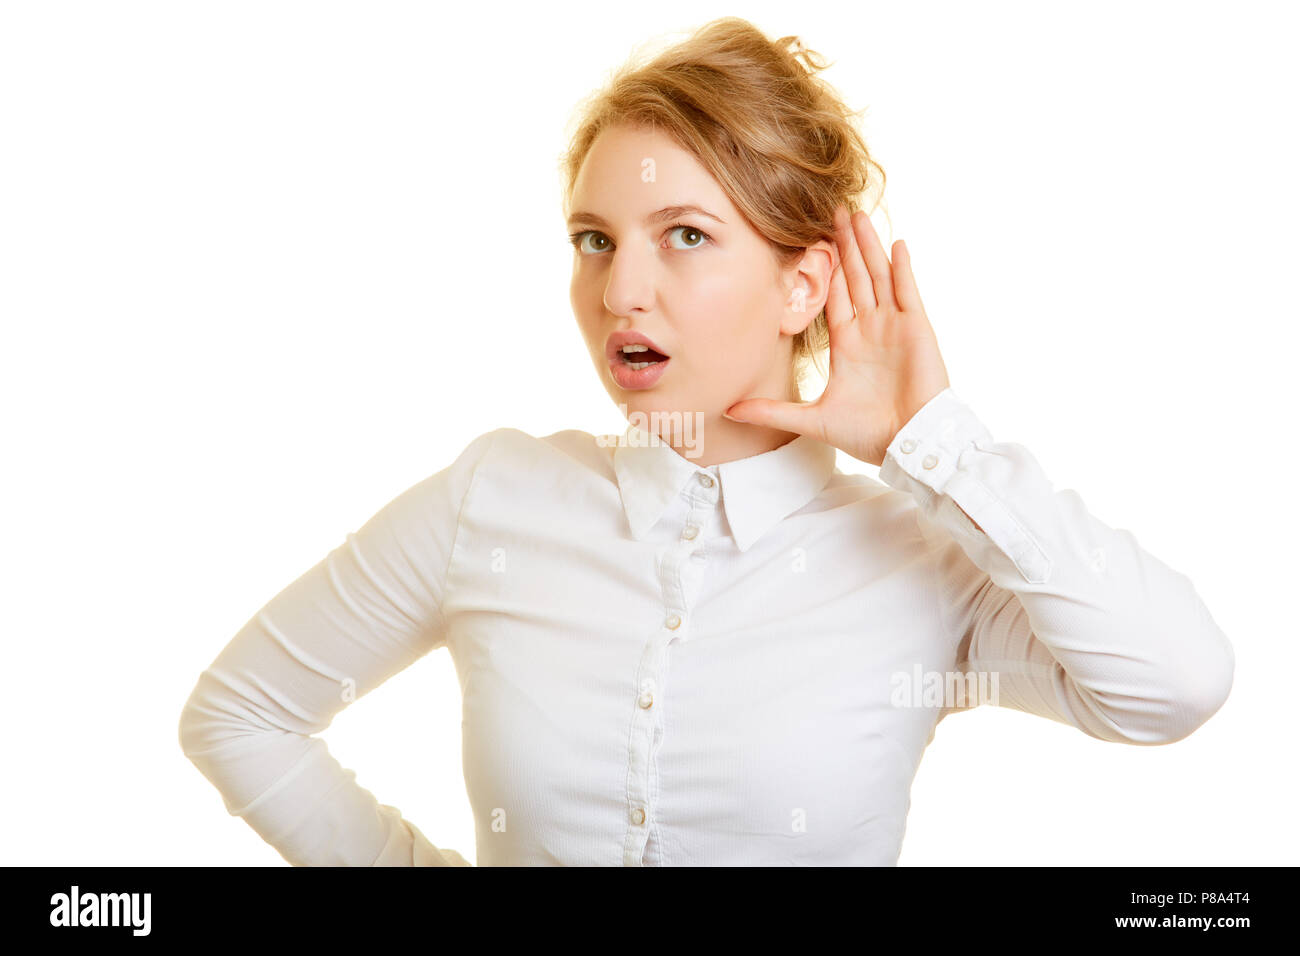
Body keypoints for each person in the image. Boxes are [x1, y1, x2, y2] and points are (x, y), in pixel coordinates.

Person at [178, 16, 1234, 866]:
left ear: (802, 285)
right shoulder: (493, 499)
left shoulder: (921, 557)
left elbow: (1175, 682)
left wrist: (930, 441)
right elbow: (240, 712)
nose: (619, 292)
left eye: (685, 235)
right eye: (594, 240)